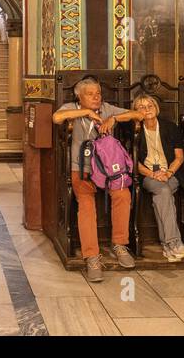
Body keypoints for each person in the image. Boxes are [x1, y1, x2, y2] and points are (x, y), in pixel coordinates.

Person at [53, 77, 142, 282]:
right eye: (90, 94)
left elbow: (138, 114)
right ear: (79, 96)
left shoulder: (107, 108)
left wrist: (115, 119)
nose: (96, 97)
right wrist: (85, 112)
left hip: (109, 170)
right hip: (81, 169)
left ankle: (119, 244)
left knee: (123, 195)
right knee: (86, 204)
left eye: (98, 93)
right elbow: (56, 118)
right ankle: (92, 256)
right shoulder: (71, 108)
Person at [132, 94, 184, 262]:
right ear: (135, 112)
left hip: (170, 174)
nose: (146, 109)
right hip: (148, 175)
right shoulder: (134, 130)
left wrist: (168, 173)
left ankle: (168, 247)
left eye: (149, 105)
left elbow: (179, 157)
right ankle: (174, 243)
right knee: (164, 193)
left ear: (156, 108)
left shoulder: (169, 127)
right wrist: (152, 174)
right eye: (141, 107)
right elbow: (132, 161)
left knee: (163, 194)